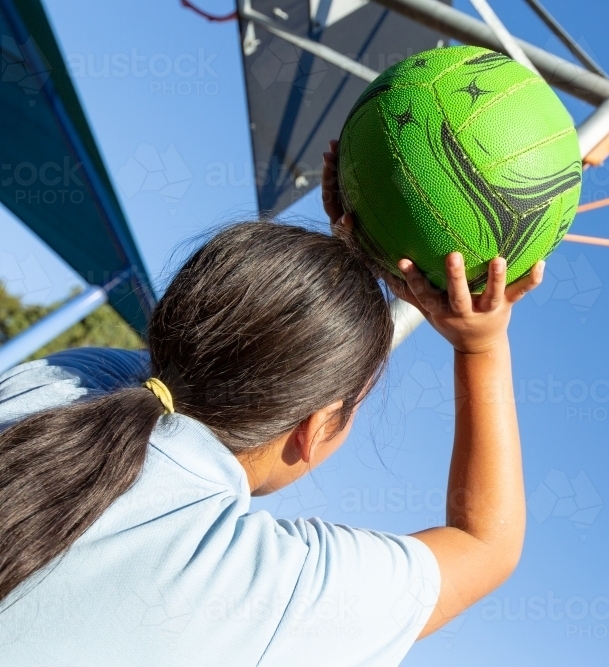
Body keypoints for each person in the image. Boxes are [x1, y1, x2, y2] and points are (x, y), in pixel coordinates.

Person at [0, 141, 544, 666]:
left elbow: (201, 353)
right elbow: (485, 546)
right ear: (315, 426)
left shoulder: (57, 387)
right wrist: (481, 345)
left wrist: (351, 251)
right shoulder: (272, 592)